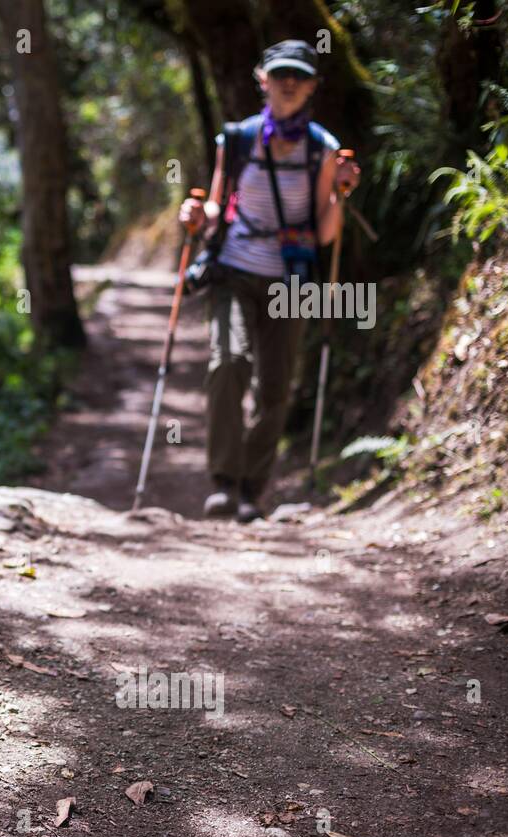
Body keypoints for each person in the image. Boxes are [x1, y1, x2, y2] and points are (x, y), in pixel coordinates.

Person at [179, 39, 360, 522]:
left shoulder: (322, 149)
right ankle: (222, 480)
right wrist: (197, 215)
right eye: (280, 73)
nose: (289, 82)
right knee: (228, 361)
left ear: (312, 86)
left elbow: (324, 231)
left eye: (299, 75)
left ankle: (251, 491)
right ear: (263, 79)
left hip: (291, 279)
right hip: (233, 270)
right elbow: (218, 208)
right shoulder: (236, 140)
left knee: (275, 389)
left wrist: (341, 194)